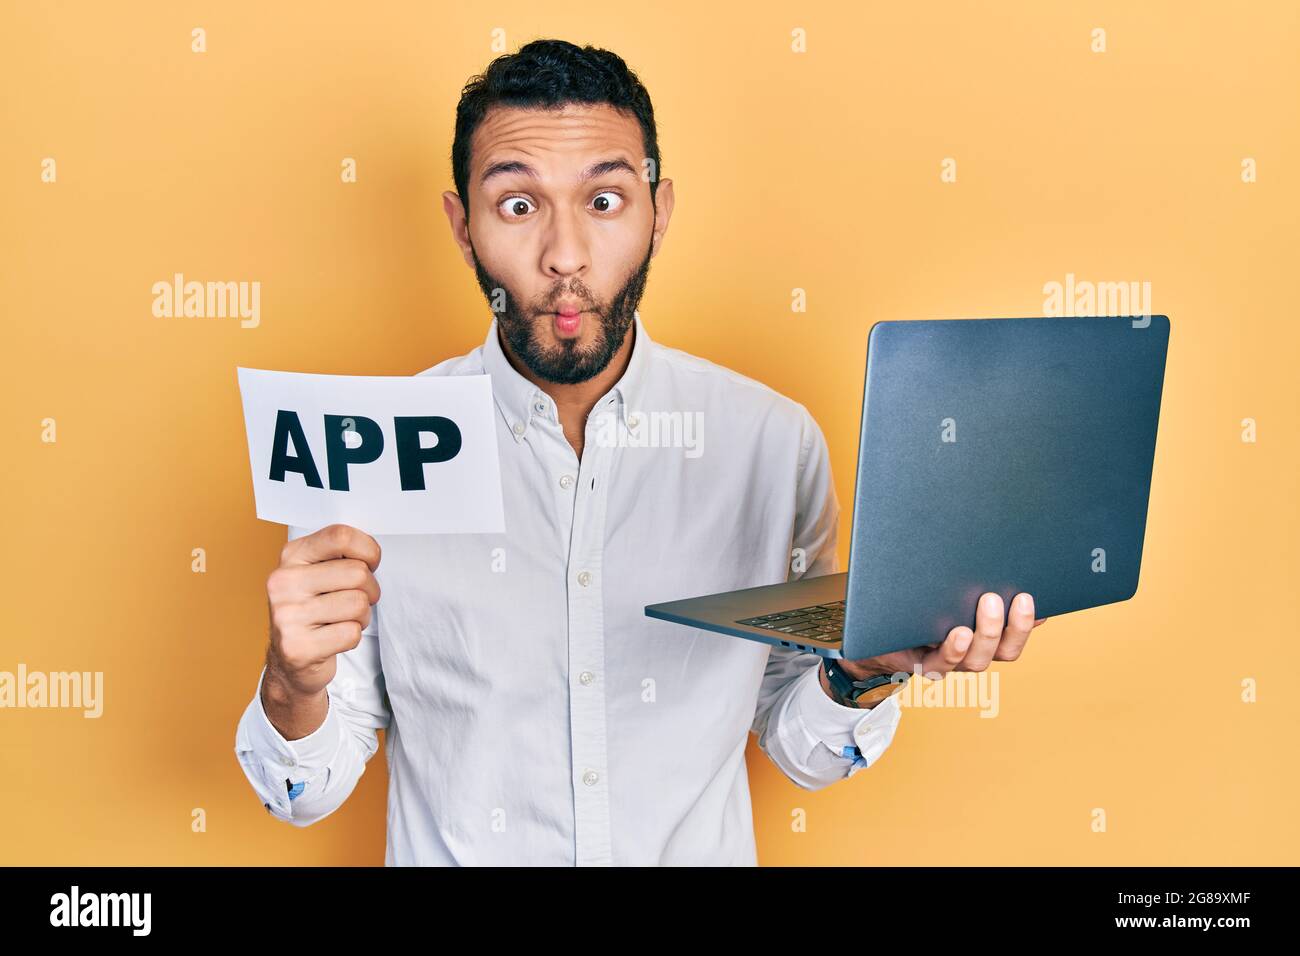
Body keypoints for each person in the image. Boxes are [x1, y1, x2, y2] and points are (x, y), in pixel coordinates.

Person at [234, 38, 1044, 865]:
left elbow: (801, 750)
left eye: (605, 201)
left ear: (659, 212)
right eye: (518, 205)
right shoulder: (365, 451)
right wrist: (290, 683)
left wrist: (862, 671)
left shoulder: (769, 441)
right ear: (462, 226)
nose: (565, 256)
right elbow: (305, 791)